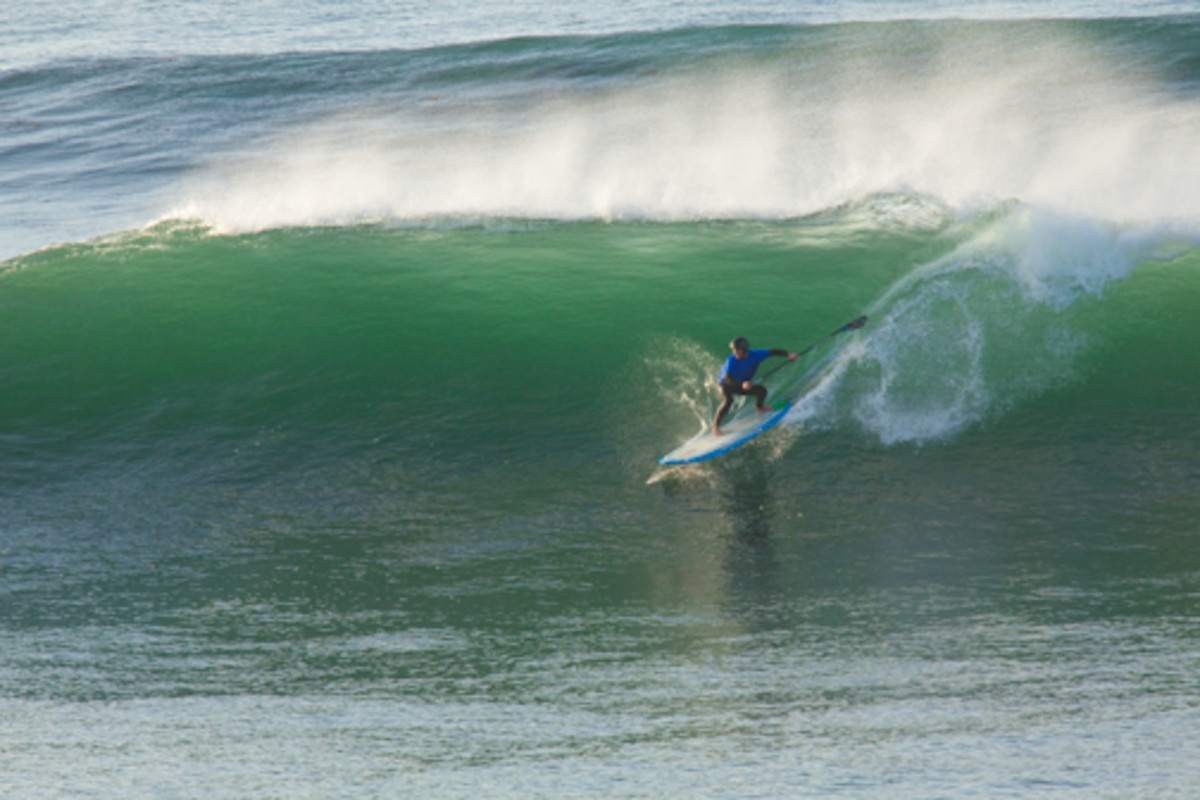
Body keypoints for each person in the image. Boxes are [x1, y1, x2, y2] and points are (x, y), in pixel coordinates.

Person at [712, 336, 798, 435]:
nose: (735, 353)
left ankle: (760, 407)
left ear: (744, 350)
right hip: (725, 384)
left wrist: (789, 354)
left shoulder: (756, 355)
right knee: (728, 401)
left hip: (742, 384)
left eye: (737, 350)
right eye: (733, 350)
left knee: (762, 391)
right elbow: (728, 379)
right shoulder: (731, 360)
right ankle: (715, 427)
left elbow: (772, 352)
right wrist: (742, 384)